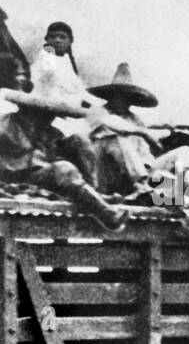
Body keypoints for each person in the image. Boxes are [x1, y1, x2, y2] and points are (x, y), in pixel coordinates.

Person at [0, 57, 124, 228]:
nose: (48, 118)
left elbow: (60, 150)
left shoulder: (49, 133)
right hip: (17, 177)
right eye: (44, 113)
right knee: (64, 170)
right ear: (29, 111)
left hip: (42, 175)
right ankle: (108, 214)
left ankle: (94, 194)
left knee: (79, 141)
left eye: (51, 114)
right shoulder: (5, 125)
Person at [87, 63, 161, 197]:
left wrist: (149, 167)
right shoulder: (97, 112)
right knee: (116, 139)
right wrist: (143, 133)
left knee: (185, 152)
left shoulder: (136, 121)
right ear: (110, 96)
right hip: (104, 175)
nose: (124, 100)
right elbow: (116, 125)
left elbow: (144, 153)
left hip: (131, 178)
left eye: (128, 97)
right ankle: (142, 187)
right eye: (119, 95)